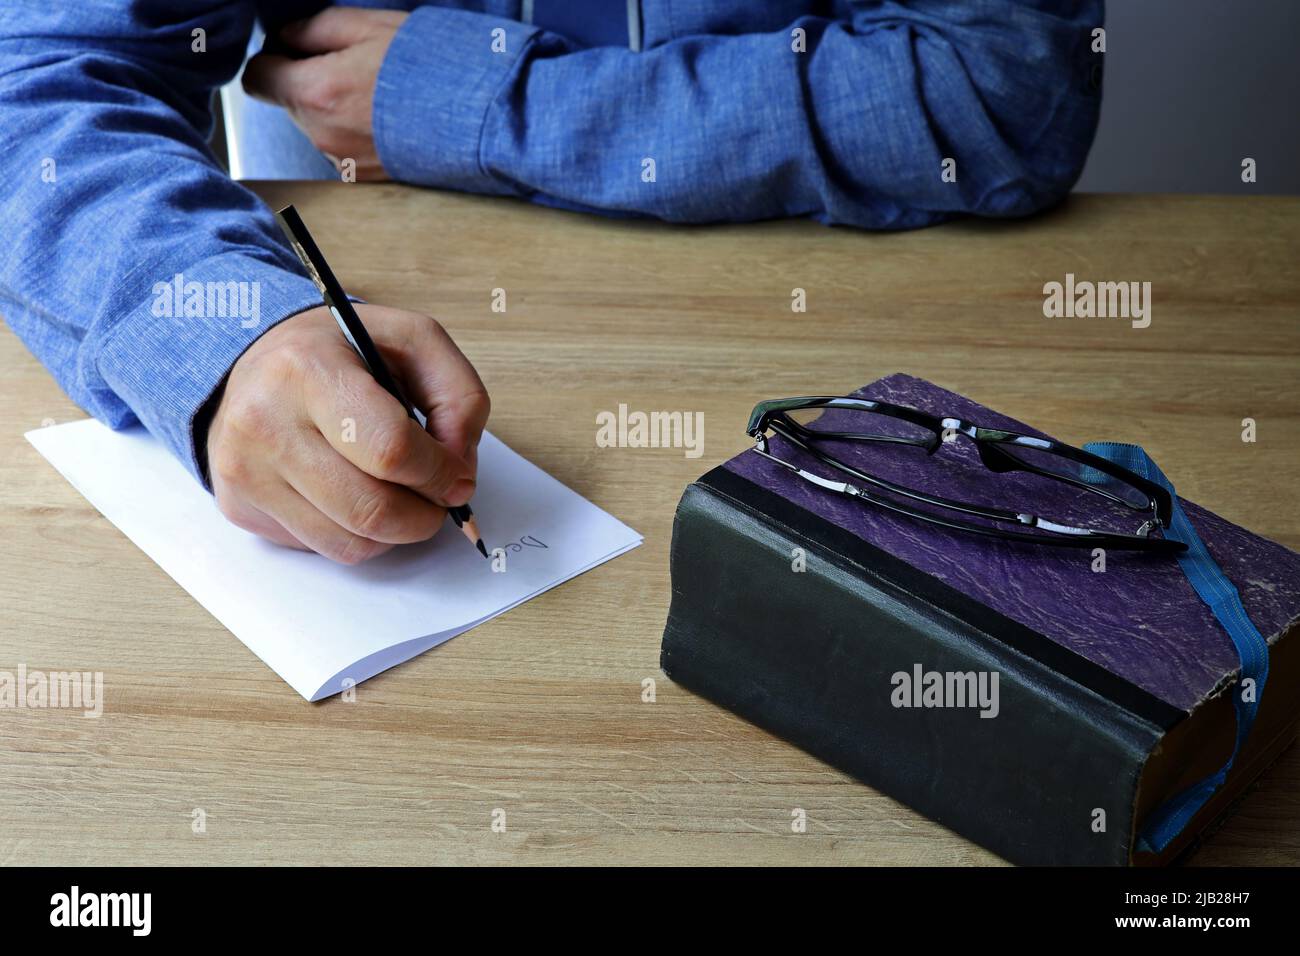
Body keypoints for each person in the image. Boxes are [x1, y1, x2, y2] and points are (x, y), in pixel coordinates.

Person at [0, 1, 1104, 564]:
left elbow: (1002, 90)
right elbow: (35, 79)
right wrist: (219, 330)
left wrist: (474, 105)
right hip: (328, 284)